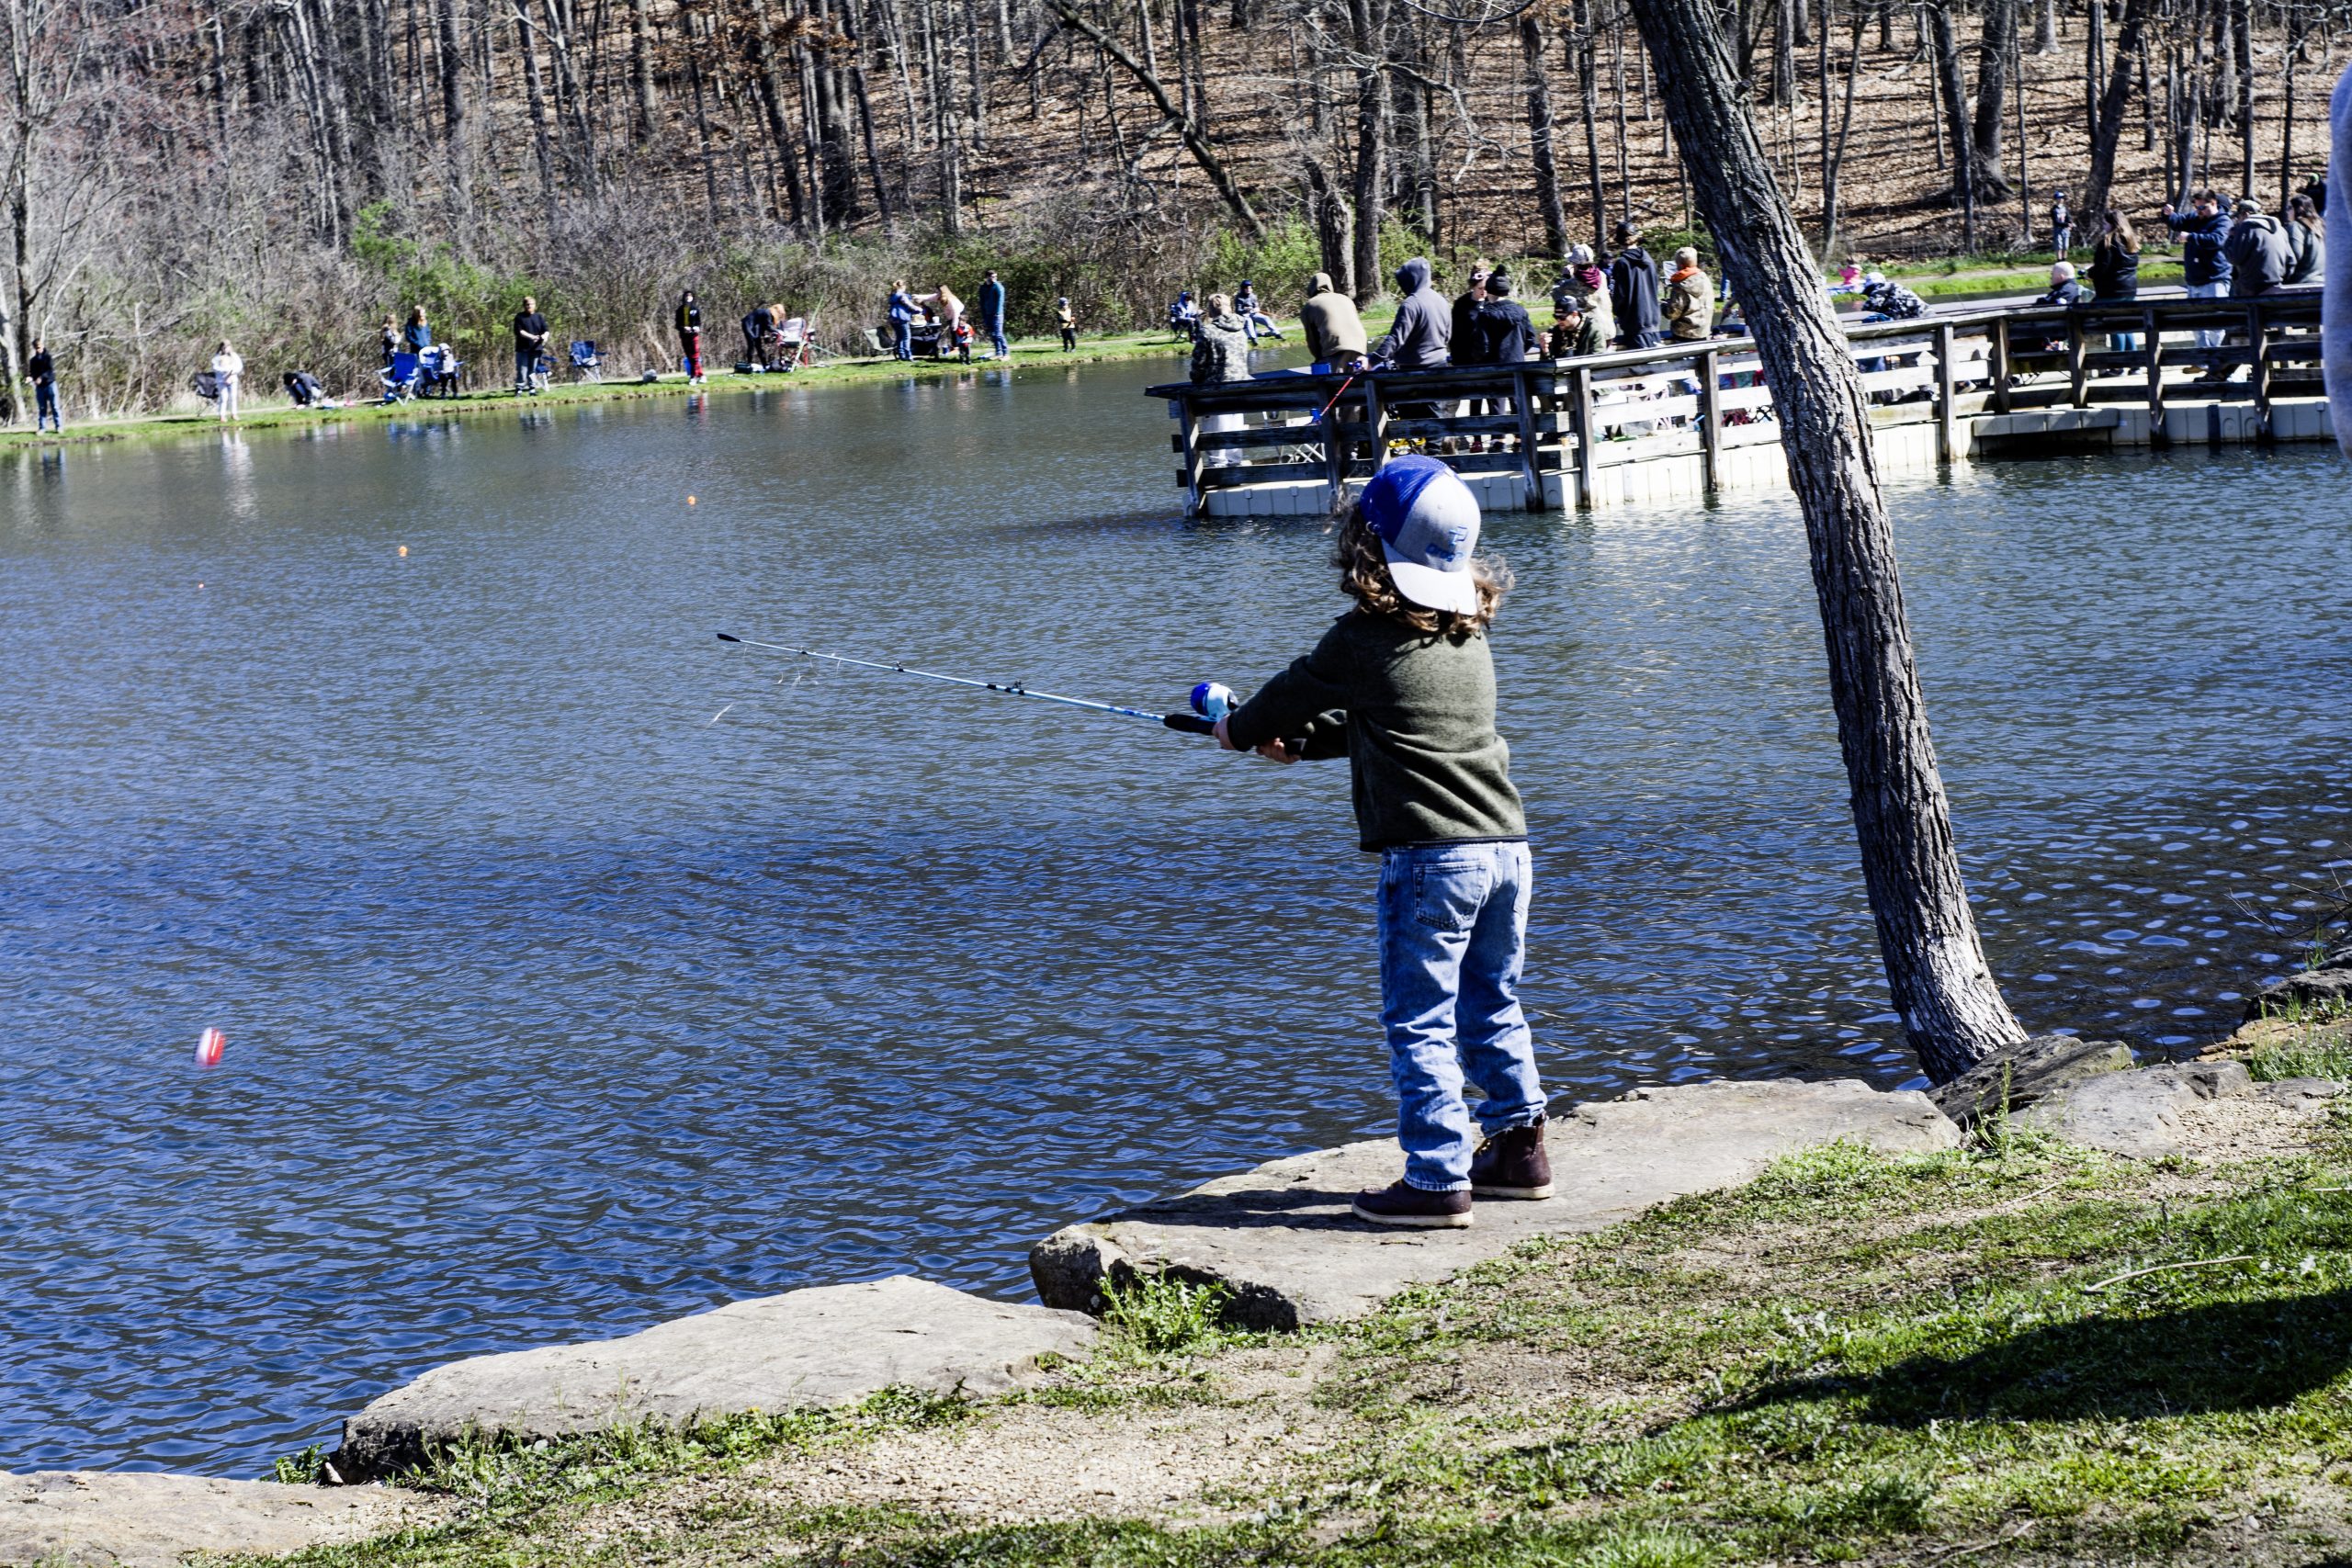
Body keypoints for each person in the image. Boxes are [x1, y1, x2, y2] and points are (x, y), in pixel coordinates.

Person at [1213, 457, 1547, 1229]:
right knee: (1491, 1000)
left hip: (1432, 859)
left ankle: (1437, 1177)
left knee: (1419, 1014)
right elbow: (1396, 721)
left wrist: (1239, 730)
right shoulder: (1466, 629)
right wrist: (1302, 744)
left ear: (1367, 546)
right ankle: (1520, 1150)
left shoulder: (1359, 638)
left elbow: (1285, 696)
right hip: (1505, 847)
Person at [2163, 190, 2233, 352]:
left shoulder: (2223, 221)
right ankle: (2202, 360)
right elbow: (2178, 221)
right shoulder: (2196, 218)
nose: (2199, 211)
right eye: (2197, 208)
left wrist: (2191, 237)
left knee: (2216, 323)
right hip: (2194, 280)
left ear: (2214, 203)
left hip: (2214, 279)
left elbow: (2217, 240)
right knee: (2197, 323)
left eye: (2202, 207)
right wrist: (2168, 214)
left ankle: (2219, 361)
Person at [1190, 291, 1254, 468]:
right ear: (1230, 308)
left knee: (1215, 430)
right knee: (1234, 427)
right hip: (1240, 389)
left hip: (1215, 392)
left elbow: (1198, 365)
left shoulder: (1208, 332)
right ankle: (1235, 464)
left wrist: (1196, 381)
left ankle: (1218, 466)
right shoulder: (1241, 330)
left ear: (1210, 311)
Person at [1374, 257, 1452, 369]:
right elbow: (1447, 336)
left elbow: (1395, 339)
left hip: (1413, 372)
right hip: (1441, 366)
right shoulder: (1442, 301)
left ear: (1411, 279)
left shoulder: (1411, 304)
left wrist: (1371, 361)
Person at [2089, 208, 2143, 355]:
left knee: (2114, 325)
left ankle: (2117, 365)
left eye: (2105, 223)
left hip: (2111, 290)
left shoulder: (2108, 242)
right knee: (2126, 324)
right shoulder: (2131, 241)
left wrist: (2090, 273)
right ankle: (2135, 363)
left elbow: (2102, 267)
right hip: (2129, 290)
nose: (2103, 226)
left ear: (2112, 224)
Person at [1457, 269, 1536, 366]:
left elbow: (1482, 347)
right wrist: (1517, 353)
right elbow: (1531, 338)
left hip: (1494, 371)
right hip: (1518, 366)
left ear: (1488, 290)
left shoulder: (1485, 316)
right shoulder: (1521, 311)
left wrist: (1474, 360)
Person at [1607, 220, 1665, 348]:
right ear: (1636, 238)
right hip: (1653, 322)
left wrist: (1617, 312)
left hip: (1634, 324)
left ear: (1619, 241)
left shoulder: (1621, 263)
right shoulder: (1649, 260)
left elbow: (1619, 295)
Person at [2222, 197, 2290, 298]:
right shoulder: (2280, 229)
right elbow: (2291, 261)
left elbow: (2234, 258)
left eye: (2238, 217)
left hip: (2251, 289)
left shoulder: (2247, 227)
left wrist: (2230, 238)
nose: (2238, 221)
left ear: (2245, 214)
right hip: (2277, 286)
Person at [1300, 270, 1369, 368]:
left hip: (1335, 351)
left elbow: (1312, 340)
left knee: (1337, 380)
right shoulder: (1346, 299)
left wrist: (1319, 359)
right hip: (1361, 350)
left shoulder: (1310, 305)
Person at [1663, 248, 1713, 341]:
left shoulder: (1681, 285)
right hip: (1703, 332)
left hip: (1684, 334)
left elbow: (1673, 314)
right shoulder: (1705, 279)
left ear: (1679, 264)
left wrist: (1664, 306)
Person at [1449, 262, 1491, 355]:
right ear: (1473, 286)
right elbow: (1455, 334)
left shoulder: (1491, 301)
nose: (1484, 291)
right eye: (1480, 288)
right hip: (1466, 354)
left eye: (1486, 288)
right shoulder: (1461, 304)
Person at [2285, 192, 2326, 286]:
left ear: (2300, 209)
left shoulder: (2296, 226)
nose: (2287, 212)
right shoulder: (2321, 227)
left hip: (2300, 285)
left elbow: (2295, 256)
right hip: (2322, 283)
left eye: (2289, 208)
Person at [512, 297, 548, 395]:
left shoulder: (539, 316)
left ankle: (532, 388)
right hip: (522, 348)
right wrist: (532, 337)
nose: (529, 306)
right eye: (527, 304)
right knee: (522, 370)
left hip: (536, 348)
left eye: (531, 304)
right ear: (524, 306)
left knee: (532, 369)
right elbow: (519, 331)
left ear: (535, 305)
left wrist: (545, 336)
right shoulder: (519, 317)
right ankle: (519, 388)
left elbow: (546, 330)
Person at [1234, 279, 1284, 343]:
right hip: (1244, 316)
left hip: (1253, 314)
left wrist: (1256, 309)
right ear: (1243, 289)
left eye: (1250, 288)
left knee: (1266, 318)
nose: (1248, 289)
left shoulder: (1253, 296)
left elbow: (1256, 306)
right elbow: (1238, 311)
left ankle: (1277, 334)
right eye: (1246, 288)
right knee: (1248, 321)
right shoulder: (1239, 297)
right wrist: (1245, 310)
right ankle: (1253, 338)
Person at [28, 338, 60, 433]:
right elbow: (32, 373)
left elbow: (50, 370)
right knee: (42, 408)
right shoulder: (33, 360)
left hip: (50, 384)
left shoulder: (48, 357)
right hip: (40, 388)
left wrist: (41, 377)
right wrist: (31, 378)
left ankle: (58, 427)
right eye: (36, 347)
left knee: (55, 407)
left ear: (43, 346)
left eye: (39, 347)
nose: (38, 349)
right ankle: (42, 428)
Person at [977, 269, 1009, 359]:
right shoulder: (983, 288)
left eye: (995, 277)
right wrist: (984, 314)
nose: (994, 278)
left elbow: (1000, 301)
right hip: (988, 314)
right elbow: (982, 302)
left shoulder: (998, 287)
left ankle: (1006, 354)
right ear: (987, 277)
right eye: (992, 277)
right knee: (993, 334)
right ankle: (998, 353)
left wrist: (997, 313)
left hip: (997, 314)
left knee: (999, 334)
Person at [210, 340, 243, 419]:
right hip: (221, 380)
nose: (225, 349)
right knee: (223, 398)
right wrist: (224, 371)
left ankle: (234, 414)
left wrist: (232, 372)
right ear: (221, 348)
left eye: (227, 347)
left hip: (233, 379)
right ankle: (222, 415)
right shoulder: (217, 357)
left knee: (233, 397)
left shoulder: (234, 355)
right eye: (224, 347)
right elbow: (214, 367)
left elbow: (239, 366)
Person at [675, 289, 704, 382]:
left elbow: (699, 322)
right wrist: (684, 328)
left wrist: (697, 327)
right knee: (690, 356)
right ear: (684, 297)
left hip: (694, 335)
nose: (688, 297)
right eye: (687, 296)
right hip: (684, 336)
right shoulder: (679, 310)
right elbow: (677, 325)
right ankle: (701, 375)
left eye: (690, 296)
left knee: (695, 355)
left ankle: (693, 376)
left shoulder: (695, 309)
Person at [887, 280, 917, 361]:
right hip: (902, 318)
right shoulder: (902, 296)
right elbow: (909, 305)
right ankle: (909, 356)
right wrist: (919, 309)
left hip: (893, 319)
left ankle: (901, 356)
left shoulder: (893, 296)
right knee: (907, 337)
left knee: (899, 337)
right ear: (903, 287)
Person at [2051, 190, 2073, 256]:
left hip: (2065, 230)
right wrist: (2066, 224)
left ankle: (2064, 260)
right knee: (2059, 247)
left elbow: (2068, 217)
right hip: (2057, 230)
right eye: (2059, 198)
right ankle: (2059, 261)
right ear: (2056, 199)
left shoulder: (2065, 208)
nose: (2061, 199)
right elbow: (2056, 221)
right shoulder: (2053, 209)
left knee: (2065, 246)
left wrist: (2070, 224)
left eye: (2062, 198)